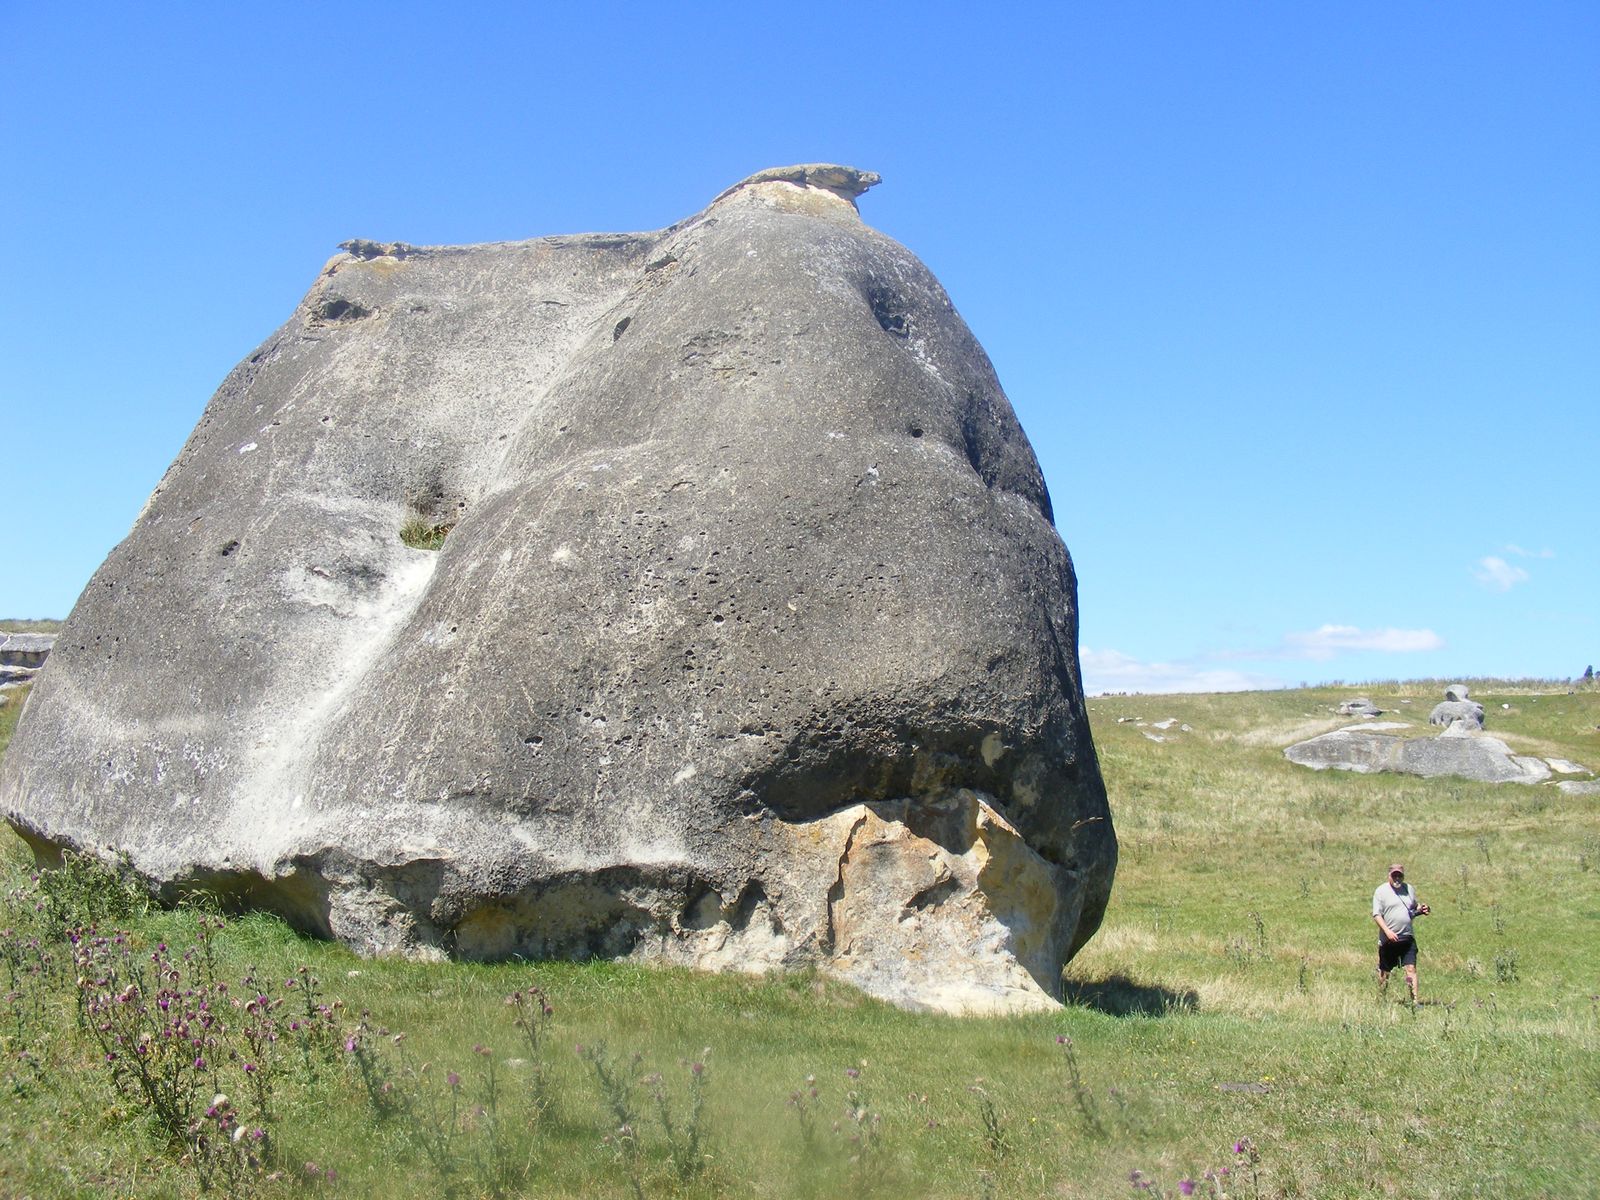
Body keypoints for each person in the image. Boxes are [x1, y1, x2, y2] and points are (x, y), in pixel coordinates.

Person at [1372, 863, 1429, 1004]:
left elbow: (1413, 907)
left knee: (1411, 968)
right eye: (1394, 875)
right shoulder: (1381, 891)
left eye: (1400, 875)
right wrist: (1387, 931)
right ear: (1389, 876)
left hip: (1407, 937)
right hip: (1389, 940)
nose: (1397, 878)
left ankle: (1415, 1002)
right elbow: (1376, 914)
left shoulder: (1409, 889)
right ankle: (1381, 999)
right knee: (1385, 972)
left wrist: (1422, 909)